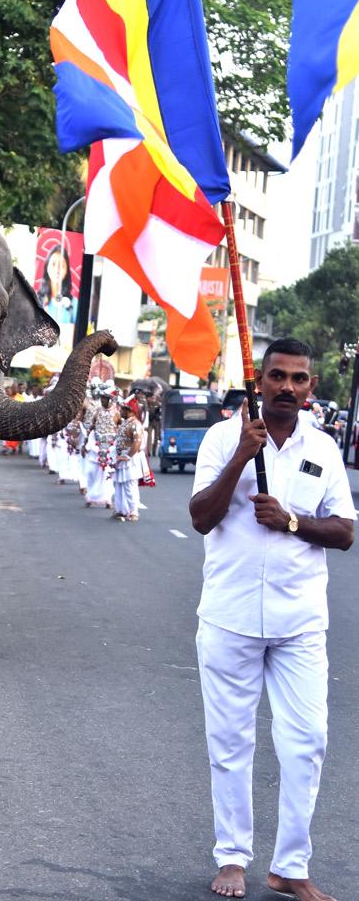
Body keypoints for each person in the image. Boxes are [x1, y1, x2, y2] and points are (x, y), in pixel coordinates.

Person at [189, 338, 355, 901]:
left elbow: (345, 531)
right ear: (259, 381)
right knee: (231, 743)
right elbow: (201, 519)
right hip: (230, 616)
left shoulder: (325, 449)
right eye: (278, 377)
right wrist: (240, 455)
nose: (288, 387)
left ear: (311, 387)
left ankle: (291, 866)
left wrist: (291, 522)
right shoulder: (220, 438)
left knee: (307, 740)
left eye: (299, 379)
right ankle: (232, 858)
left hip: (299, 621)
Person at [111, 395, 143, 522]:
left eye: (123, 409)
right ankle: (120, 509)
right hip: (120, 458)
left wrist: (127, 456)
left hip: (129, 459)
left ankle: (133, 510)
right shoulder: (125, 422)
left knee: (130, 485)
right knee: (119, 484)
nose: (121, 411)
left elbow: (137, 442)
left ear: (129, 410)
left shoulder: (135, 424)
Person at [37, 245, 78, 325]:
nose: (57, 269)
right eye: (53, 264)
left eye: (62, 265)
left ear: (66, 270)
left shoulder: (74, 303)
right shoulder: (35, 298)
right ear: (47, 267)